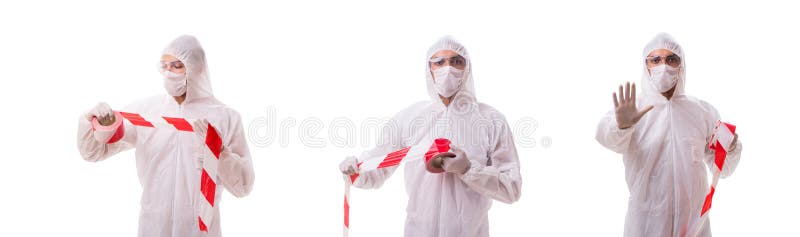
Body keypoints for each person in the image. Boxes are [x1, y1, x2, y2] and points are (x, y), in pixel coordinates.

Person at [339, 36, 522, 237]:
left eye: (456, 61)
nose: (448, 68)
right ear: (429, 70)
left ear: (467, 68)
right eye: (439, 62)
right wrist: (356, 171)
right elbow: (377, 169)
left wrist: (468, 170)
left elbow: (511, 188)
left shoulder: (491, 120)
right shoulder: (410, 118)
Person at [77, 35, 255, 237]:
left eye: (177, 65)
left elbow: (243, 186)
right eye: (165, 66)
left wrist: (220, 152)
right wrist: (96, 123)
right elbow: (94, 152)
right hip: (153, 228)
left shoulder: (224, 117)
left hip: (200, 231)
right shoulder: (146, 112)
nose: (169, 72)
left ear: (196, 68)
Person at [595, 33, 742, 237]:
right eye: (656, 60)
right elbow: (607, 139)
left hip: (693, 225)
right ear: (646, 66)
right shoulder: (633, 109)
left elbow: (722, 169)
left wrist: (732, 147)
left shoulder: (703, 113)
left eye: (671, 59)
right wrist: (622, 126)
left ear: (681, 65)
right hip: (645, 224)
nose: (663, 65)